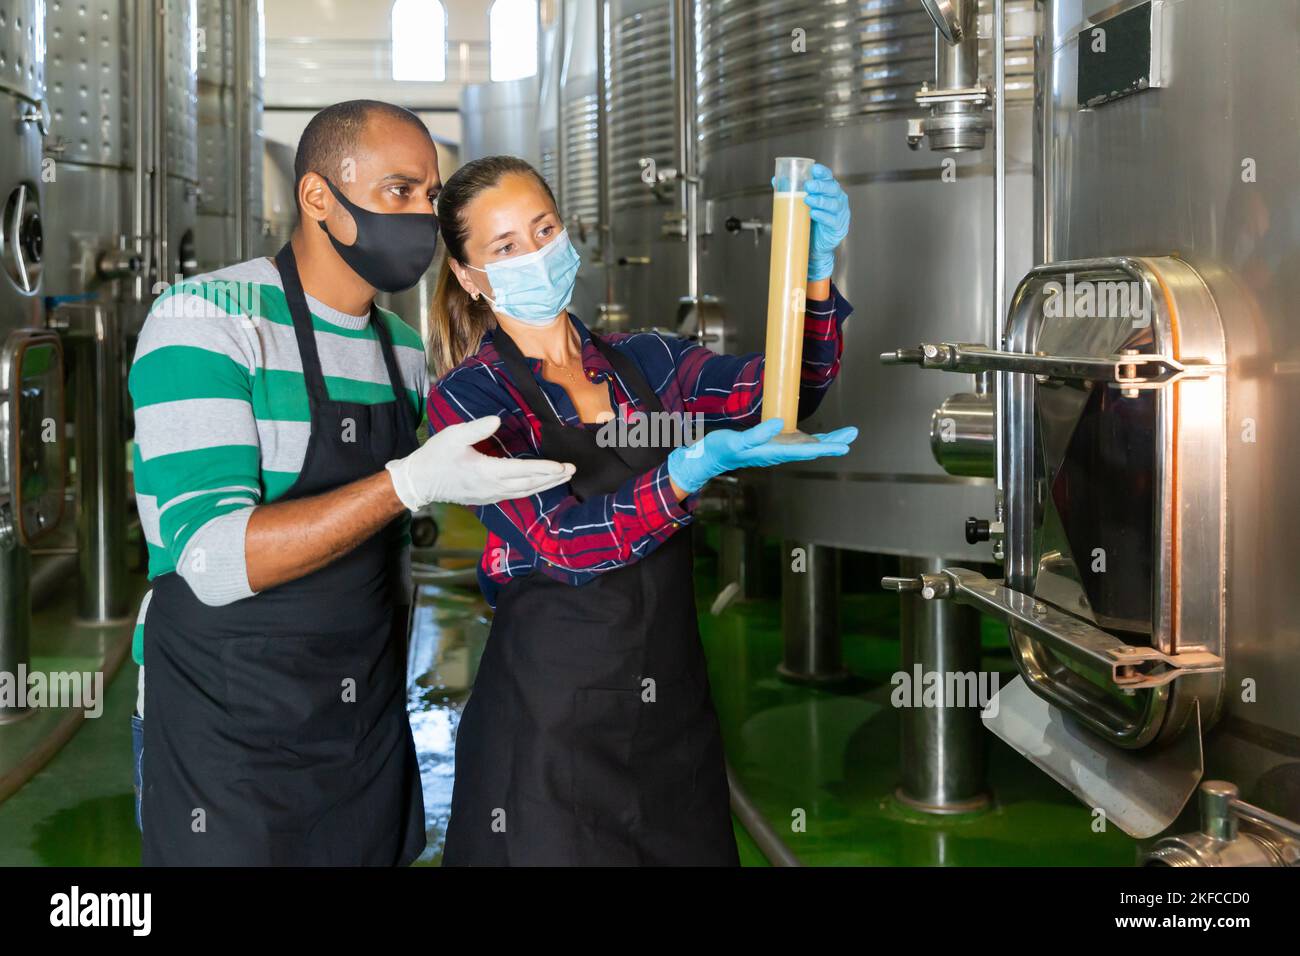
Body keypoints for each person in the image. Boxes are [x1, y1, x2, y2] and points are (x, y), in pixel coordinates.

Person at [129, 102, 574, 866]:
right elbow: (210, 560)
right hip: (226, 729)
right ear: (317, 198)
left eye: (431, 197)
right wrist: (407, 482)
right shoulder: (206, 320)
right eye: (398, 191)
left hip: (361, 716)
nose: (421, 217)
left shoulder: (400, 350)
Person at [427, 155, 856, 865]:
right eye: (505, 248)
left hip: (671, 721)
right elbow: (563, 542)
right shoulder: (471, 401)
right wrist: (688, 471)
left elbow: (776, 396)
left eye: (544, 230)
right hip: (548, 735)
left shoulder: (648, 360)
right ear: (471, 276)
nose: (535, 256)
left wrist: (812, 278)